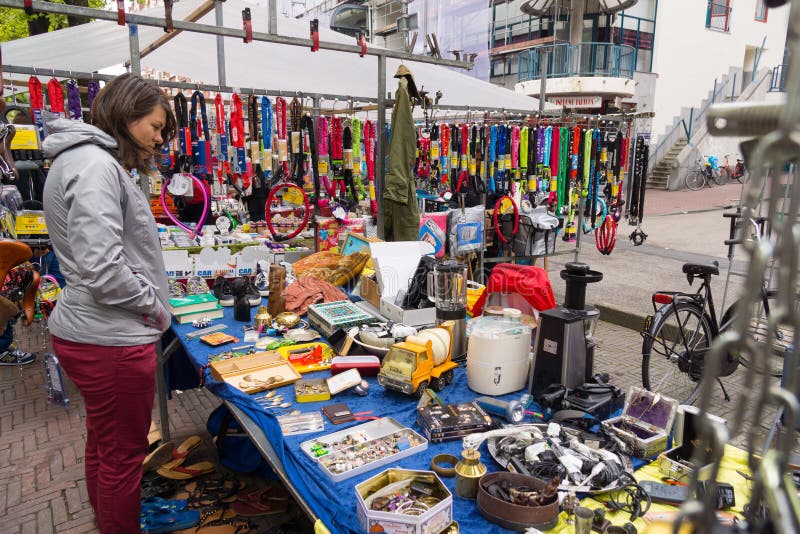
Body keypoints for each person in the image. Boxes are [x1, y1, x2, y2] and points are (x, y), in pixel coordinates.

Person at [42, 73, 177, 534]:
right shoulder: (96, 166)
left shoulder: (82, 161)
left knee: (105, 447)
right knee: (121, 457)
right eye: (155, 127)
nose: (159, 139)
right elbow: (102, 268)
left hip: (94, 331)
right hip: (111, 337)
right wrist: (155, 310)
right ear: (127, 114)